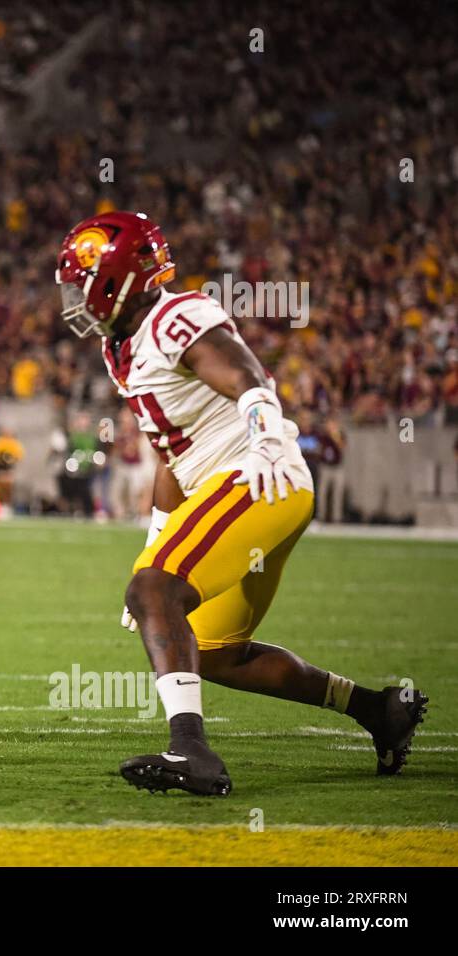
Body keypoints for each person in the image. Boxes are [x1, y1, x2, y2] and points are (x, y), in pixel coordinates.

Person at [55, 210, 427, 795]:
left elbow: (246, 374)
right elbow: (169, 454)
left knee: (154, 590)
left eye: (82, 281)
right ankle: (378, 711)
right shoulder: (123, 347)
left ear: (114, 279)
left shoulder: (174, 317)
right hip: (240, 484)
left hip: (257, 476)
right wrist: (157, 535)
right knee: (216, 652)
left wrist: (267, 435)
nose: (76, 296)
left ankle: (192, 752)